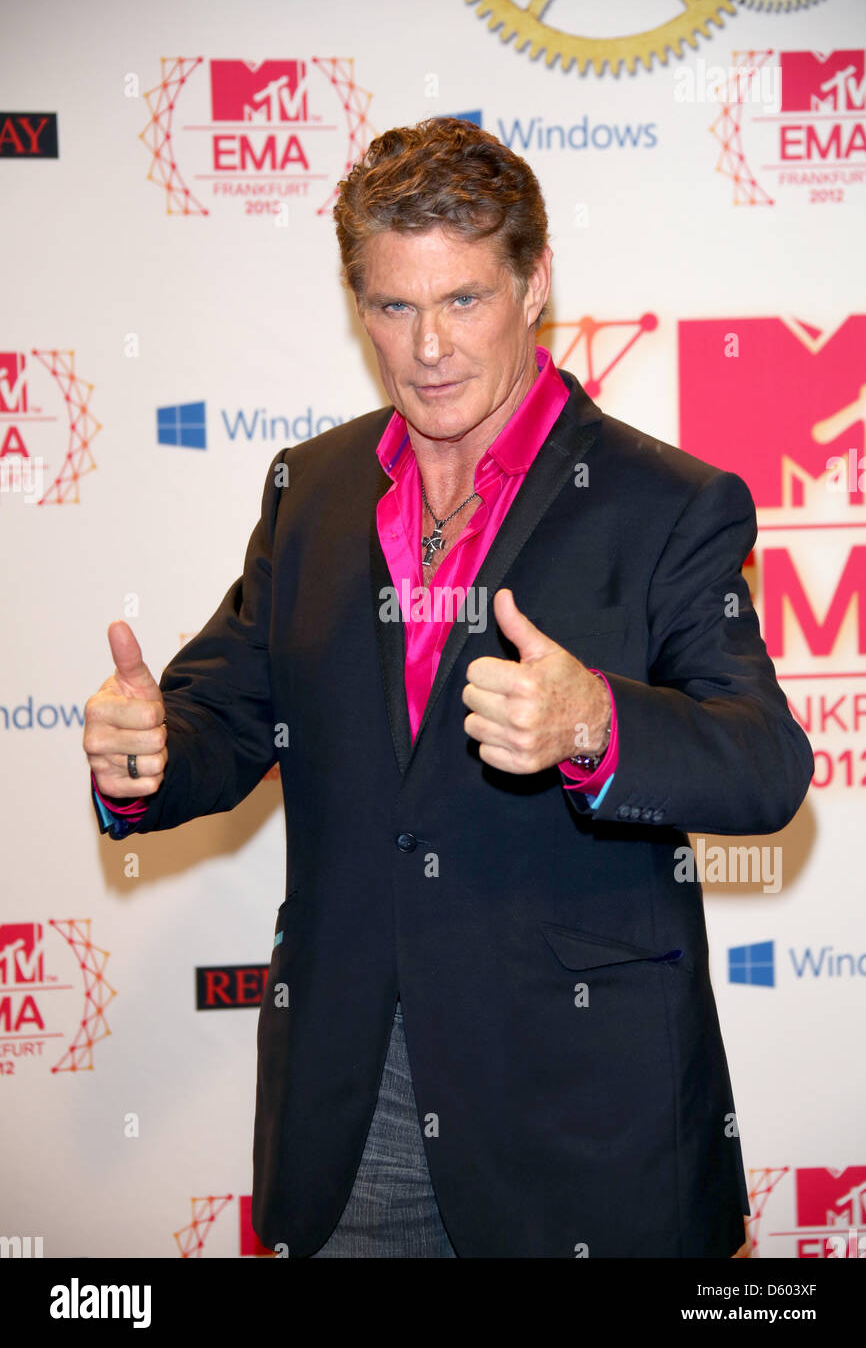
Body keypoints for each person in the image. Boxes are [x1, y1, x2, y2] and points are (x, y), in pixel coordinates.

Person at [84, 117, 813, 1258]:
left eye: (462, 301)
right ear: (355, 302)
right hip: (352, 1097)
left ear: (532, 284)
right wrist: (152, 753)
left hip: (577, 1113)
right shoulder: (311, 488)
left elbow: (763, 762)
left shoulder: (666, 501)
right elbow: (228, 713)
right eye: (391, 307)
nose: (426, 347)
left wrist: (593, 723)